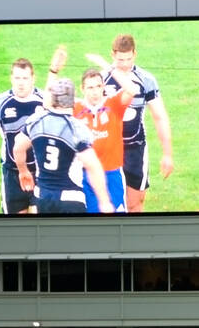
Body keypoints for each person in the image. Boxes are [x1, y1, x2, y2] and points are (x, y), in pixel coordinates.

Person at [48, 48, 138, 213]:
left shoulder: (114, 105)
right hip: (85, 176)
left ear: (103, 86)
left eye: (98, 86)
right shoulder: (75, 108)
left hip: (112, 175)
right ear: (82, 89)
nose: (95, 92)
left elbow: (132, 89)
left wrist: (107, 66)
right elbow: (48, 104)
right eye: (90, 88)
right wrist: (53, 71)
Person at [12, 78, 114, 215]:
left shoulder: (35, 121)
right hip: (70, 200)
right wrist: (104, 201)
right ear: (72, 99)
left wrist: (23, 171)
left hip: (42, 197)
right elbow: (93, 166)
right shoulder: (77, 129)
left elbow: (18, 148)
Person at [99, 34, 173, 213]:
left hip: (135, 149)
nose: (124, 64)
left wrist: (167, 154)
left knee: (135, 203)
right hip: (108, 150)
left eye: (128, 59)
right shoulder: (101, 80)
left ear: (135, 54)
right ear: (112, 55)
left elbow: (159, 116)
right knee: (107, 204)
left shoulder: (146, 80)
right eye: (120, 59)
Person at [0, 58, 45, 213]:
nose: (21, 82)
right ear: (11, 78)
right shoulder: (0, 102)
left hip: (39, 173)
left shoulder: (44, 101)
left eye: (25, 78)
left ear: (33, 78)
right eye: (17, 78)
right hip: (12, 174)